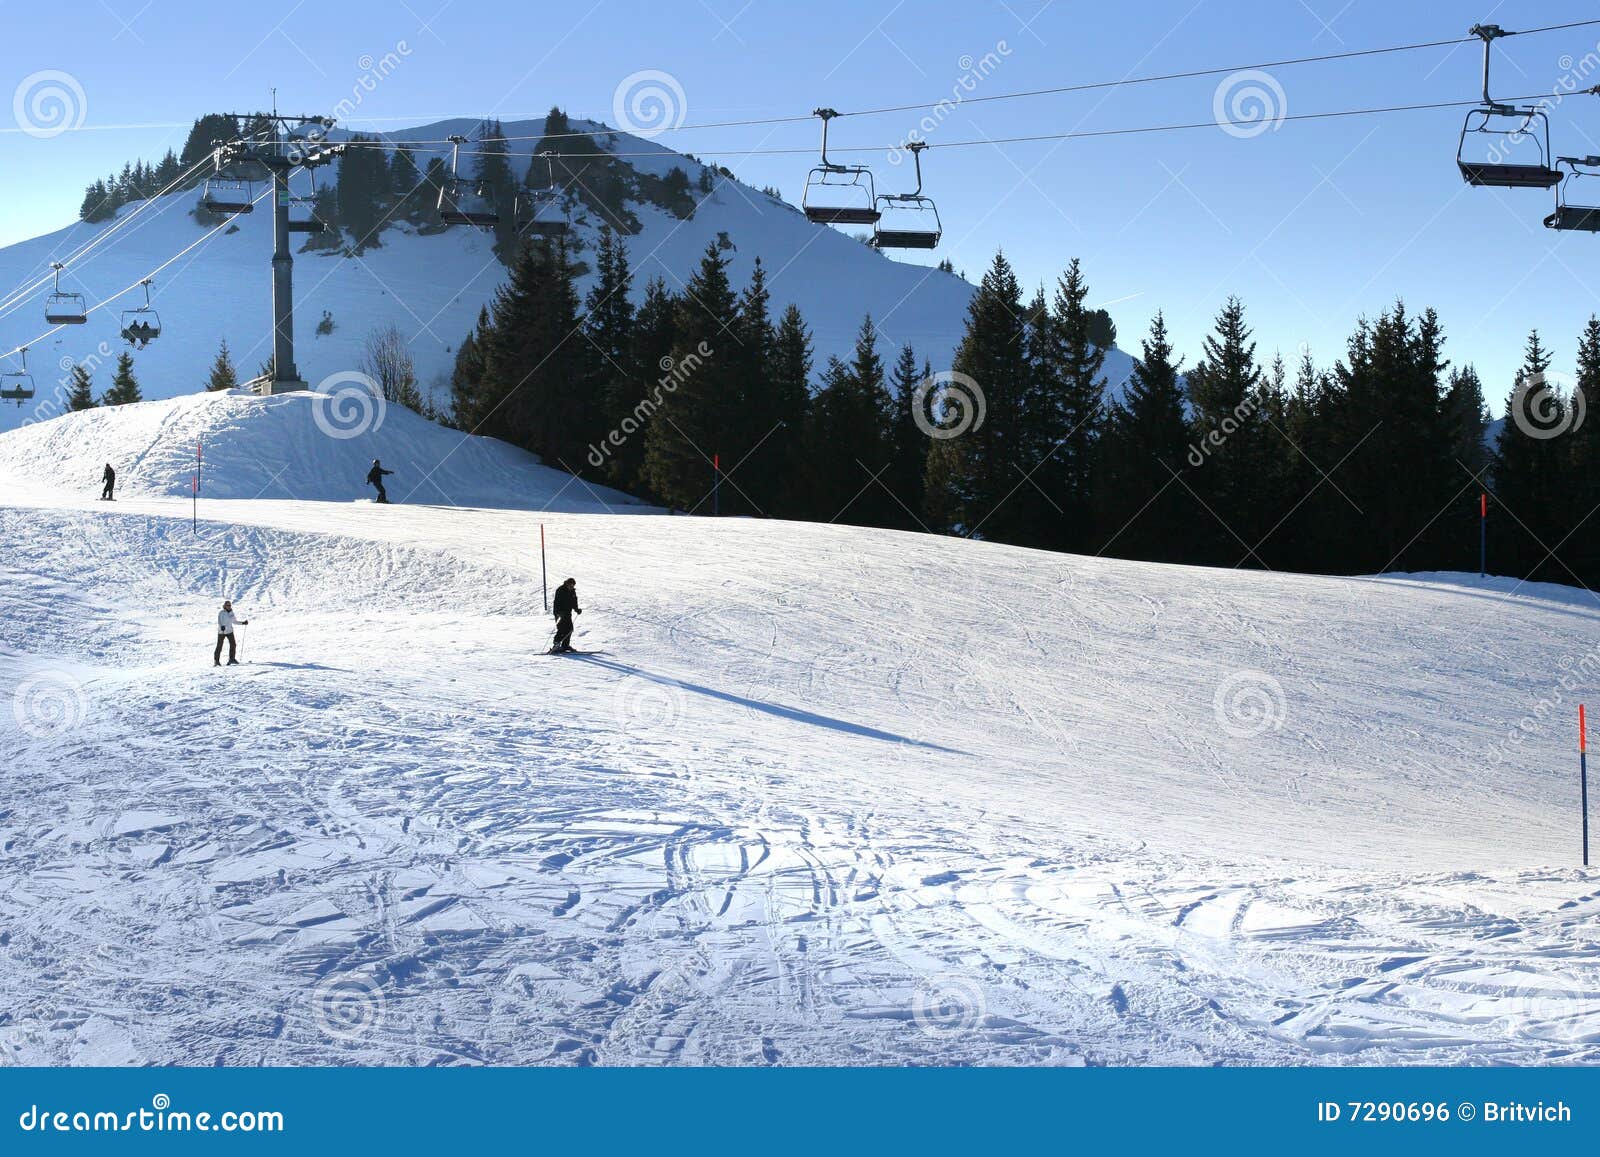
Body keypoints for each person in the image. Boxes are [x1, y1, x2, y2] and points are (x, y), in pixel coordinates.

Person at [551, 577, 582, 653]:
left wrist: (577, 609)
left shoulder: (572, 591)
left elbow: (574, 601)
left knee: (569, 629)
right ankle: (556, 644)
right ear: (567, 584)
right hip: (560, 613)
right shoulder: (561, 590)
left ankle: (565, 645)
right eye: (571, 585)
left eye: (573, 586)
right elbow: (556, 602)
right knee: (562, 628)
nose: (572, 587)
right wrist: (559, 613)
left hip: (568, 613)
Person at [214, 599, 249, 666]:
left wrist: (243, 623)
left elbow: (234, 621)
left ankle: (232, 659)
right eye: (227, 605)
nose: (229, 606)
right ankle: (216, 661)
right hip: (222, 632)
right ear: (225, 606)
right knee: (219, 646)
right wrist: (221, 626)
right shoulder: (221, 612)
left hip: (230, 631)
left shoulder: (231, 613)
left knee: (233, 644)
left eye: (230, 605)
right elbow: (219, 621)